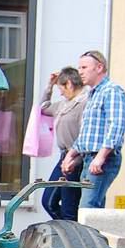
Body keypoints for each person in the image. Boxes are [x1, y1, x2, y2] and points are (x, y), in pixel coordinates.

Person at [61, 50, 125, 210]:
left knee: (88, 208)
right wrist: (71, 155)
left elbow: (117, 125)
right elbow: (86, 134)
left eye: (84, 67)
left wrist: (101, 157)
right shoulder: (92, 94)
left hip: (102, 159)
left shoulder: (111, 90)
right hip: (88, 158)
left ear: (99, 67)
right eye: (79, 68)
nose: (80, 72)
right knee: (88, 209)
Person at [39, 67, 88, 221]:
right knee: (48, 201)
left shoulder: (84, 104)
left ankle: (72, 237)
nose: (60, 93)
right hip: (63, 157)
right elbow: (42, 108)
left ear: (69, 84)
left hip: (76, 158)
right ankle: (67, 233)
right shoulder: (63, 105)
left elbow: (85, 134)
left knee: (69, 206)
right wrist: (50, 86)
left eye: (61, 88)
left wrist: (75, 159)